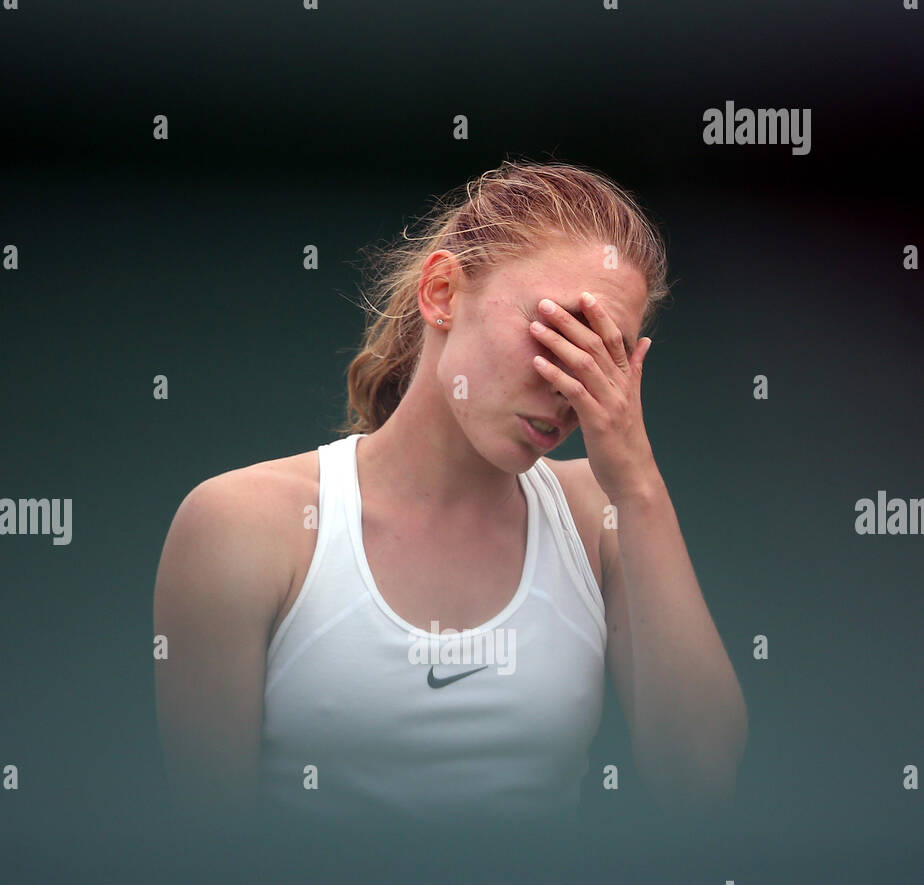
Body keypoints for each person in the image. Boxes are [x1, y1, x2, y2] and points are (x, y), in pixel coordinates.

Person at [153, 159, 747, 833]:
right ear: (441, 293)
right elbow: (212, 856)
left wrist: (637, 484)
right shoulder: (247, 523)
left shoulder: (597, 515)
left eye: (602, 356)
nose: (570, 384)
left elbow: (703, 785)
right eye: (556, 332)